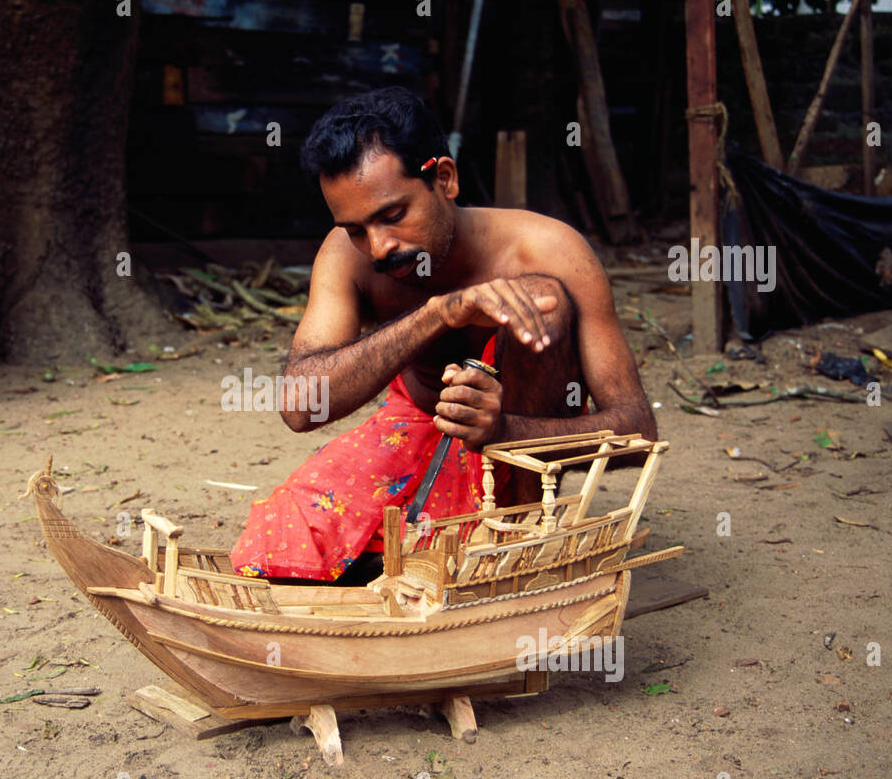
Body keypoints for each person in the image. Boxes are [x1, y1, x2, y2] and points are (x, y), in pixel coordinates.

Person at [231, 87, 656, 583]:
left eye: (393, 216)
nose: (380, 246)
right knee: (284, 547)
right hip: (414, 422)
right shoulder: (347, 256)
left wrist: (504, 432)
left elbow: (637, 432)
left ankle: (511, 537)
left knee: (544, 297)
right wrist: (439, 314)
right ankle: (429, 536)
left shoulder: (552, 250)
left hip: (516, 451)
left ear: (445, 179)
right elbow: (302, 405)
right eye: (355, 229)